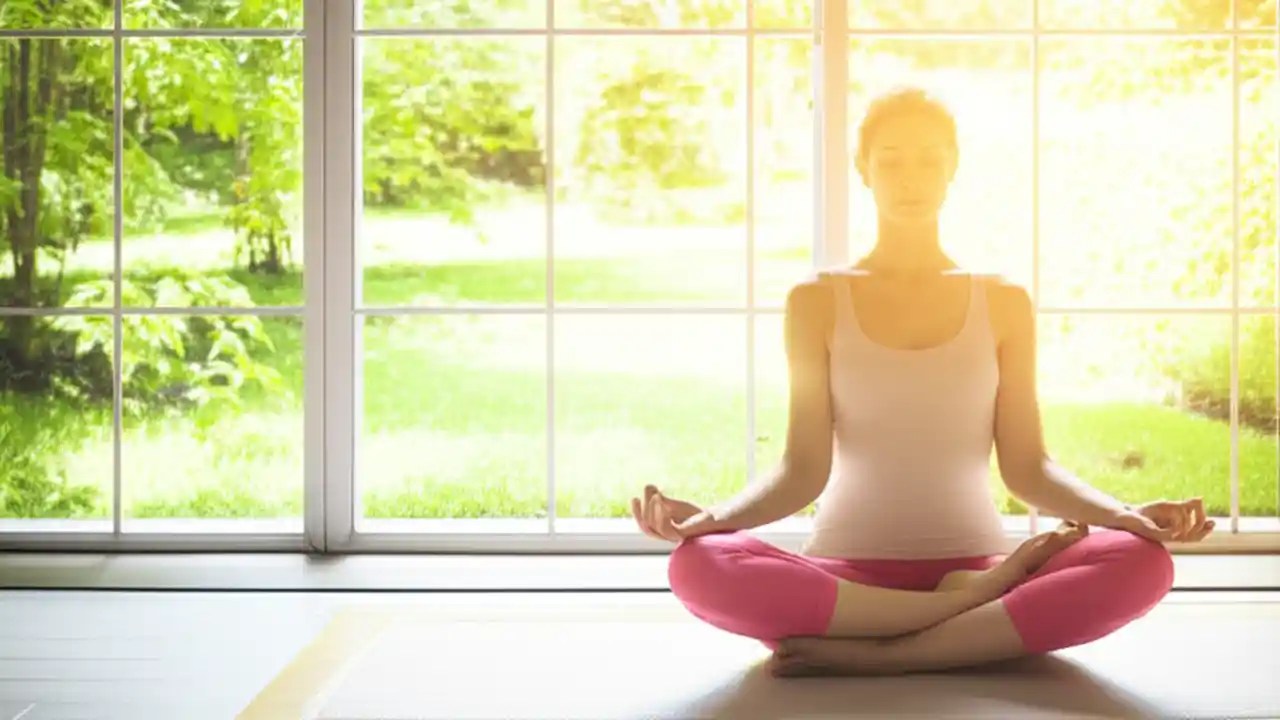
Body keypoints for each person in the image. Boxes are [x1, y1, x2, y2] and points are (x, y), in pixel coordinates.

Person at [630, 86, 1216, 678]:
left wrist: (1125, 517)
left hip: (983, 561)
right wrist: (708, 522)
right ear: (864, 170)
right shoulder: (816, 302)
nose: (911, 178)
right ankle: (959, 616)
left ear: (953, 167)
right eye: (891, 160)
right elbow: (800, 471)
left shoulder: (1003, 302)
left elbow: (1028, 468)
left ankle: (891, 653)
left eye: (929, 159)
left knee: (1143, 562)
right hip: (853, 577)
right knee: (697, 564)